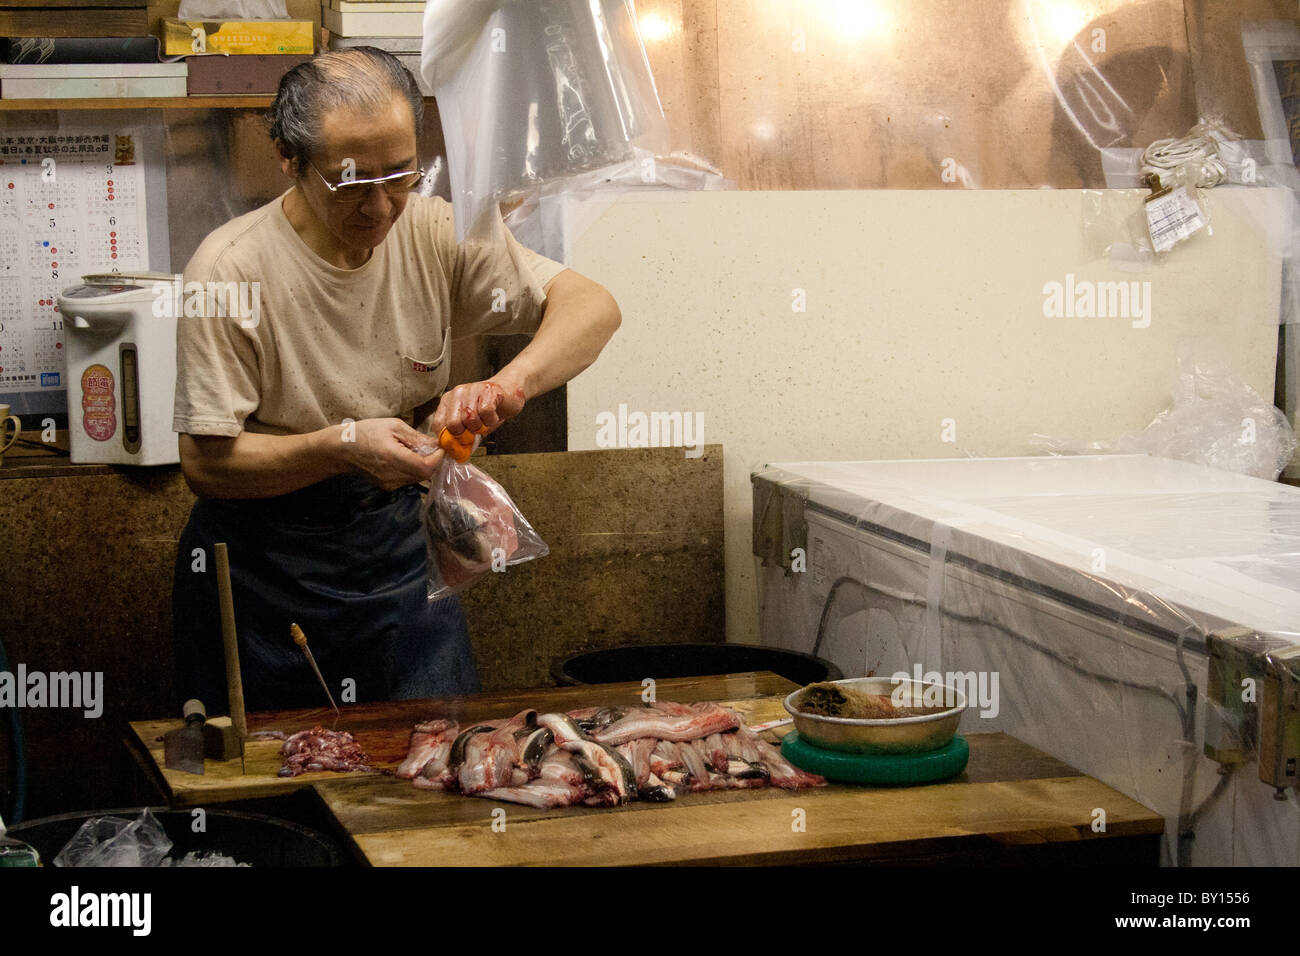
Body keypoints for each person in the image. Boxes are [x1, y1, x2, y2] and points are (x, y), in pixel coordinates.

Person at [171, 48, 620, 712]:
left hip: (396, 551)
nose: (380, 207)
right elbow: (206, 465)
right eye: (350, 181)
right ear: (288, 160)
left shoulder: (433, 233)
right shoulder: (231, 271)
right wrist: (340, 447)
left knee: (434, 763)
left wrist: (507, 385)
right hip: (264, 567)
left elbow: (593, 307)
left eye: (400, 175)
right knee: (275, 785)